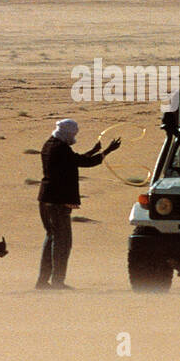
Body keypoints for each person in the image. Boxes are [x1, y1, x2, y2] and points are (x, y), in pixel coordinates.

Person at [35, 120, 121, 289]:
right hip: (58, 201)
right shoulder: (61, 148)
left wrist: (94, 151)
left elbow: (74, 160)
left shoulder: (49, 145)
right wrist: (107, 151)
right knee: (62, 241)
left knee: (51, 237)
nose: (74, 137)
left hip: (45, 198)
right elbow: (85, 163)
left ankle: (43, 281)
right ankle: (58, 281)